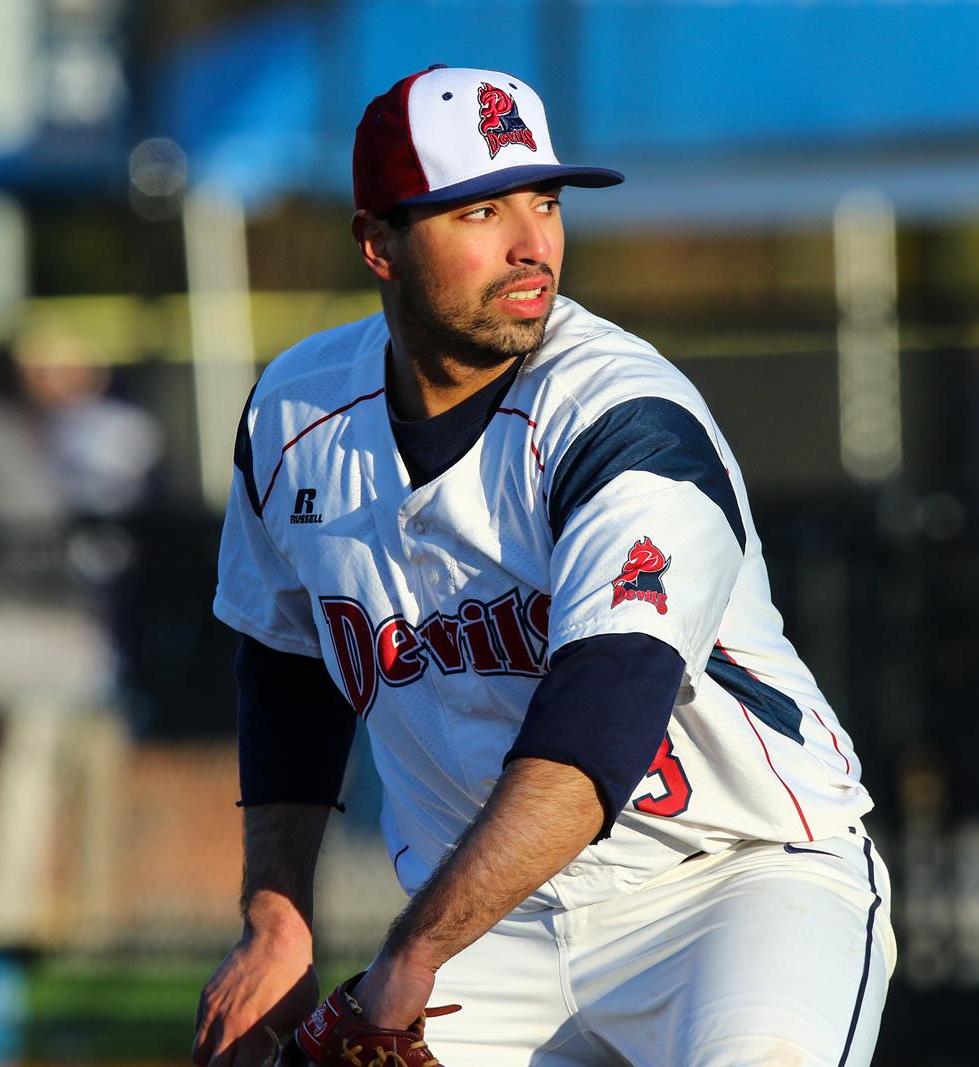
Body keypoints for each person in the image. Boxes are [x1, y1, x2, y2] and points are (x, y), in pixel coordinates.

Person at [194, 66, 894, 1067]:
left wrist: (407, 957)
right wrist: (277, 915)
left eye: (545, 201)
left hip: (730, 887)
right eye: (481, 209)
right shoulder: (295, 413)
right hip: (491, 921)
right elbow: (288, 665)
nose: (532, 245)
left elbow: (593, 732)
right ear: (378, 242)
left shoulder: (621, 421)